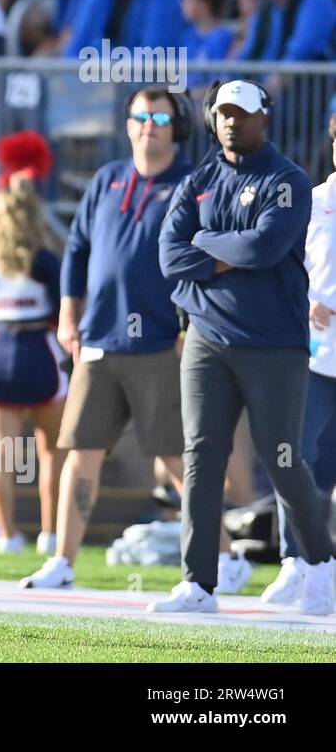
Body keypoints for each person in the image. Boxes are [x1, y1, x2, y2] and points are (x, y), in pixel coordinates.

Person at [153, 80, 336, 615]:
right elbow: (168, 256)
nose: (232, 122)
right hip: (207, 340)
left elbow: (265, 246)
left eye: (243, 113)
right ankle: (197, 583)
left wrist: (204, 247)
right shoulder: (200, 179)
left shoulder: (288, 181)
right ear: (212, 119)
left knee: (283, 460)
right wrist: (222, 255)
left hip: (273, 344)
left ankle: (320, 566)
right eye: (224, 113)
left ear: (265, 118)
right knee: (200, 457)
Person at [22, 91, 203, 589]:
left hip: (161, 341)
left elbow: (201, 261)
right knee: (80, 451)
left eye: (161, 117)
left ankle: (224, 556)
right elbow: (77, 249)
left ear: (177, 127)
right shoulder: (107, 179)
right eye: (140, 116)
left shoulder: (190, 183)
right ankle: (62, 560)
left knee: (173, 458)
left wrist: (189, 329)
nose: (149, 125)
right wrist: (68, 315)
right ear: (127, 125)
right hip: (99, 337)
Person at [261, 112, 336, 606]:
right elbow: (287, 267)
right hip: (315, 355)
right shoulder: (315, 201)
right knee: (297, 459)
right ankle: (296, 562)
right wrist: (305, 299)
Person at [0, 172, 64, 555]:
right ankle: (50, 534)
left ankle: (7, 537)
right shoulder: (45, 260)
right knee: (53, 453)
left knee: (0, 455)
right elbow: (64, 309)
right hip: (41, 351)